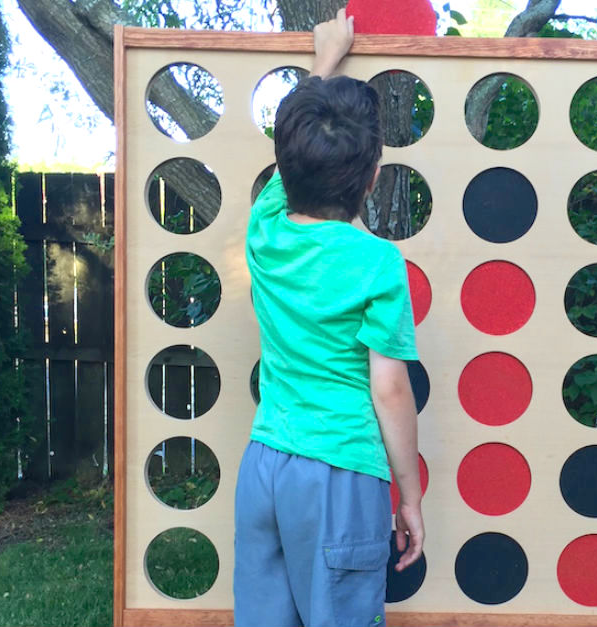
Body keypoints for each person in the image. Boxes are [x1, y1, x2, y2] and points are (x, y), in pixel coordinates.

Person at [234, 10, 424, 627]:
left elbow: (288, 156)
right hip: (339, 478)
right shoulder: (377, 265)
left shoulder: (264, 230)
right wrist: (409, 496)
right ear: (372, 180)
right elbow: (390, 389)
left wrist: (323, 63)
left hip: (264, 469)